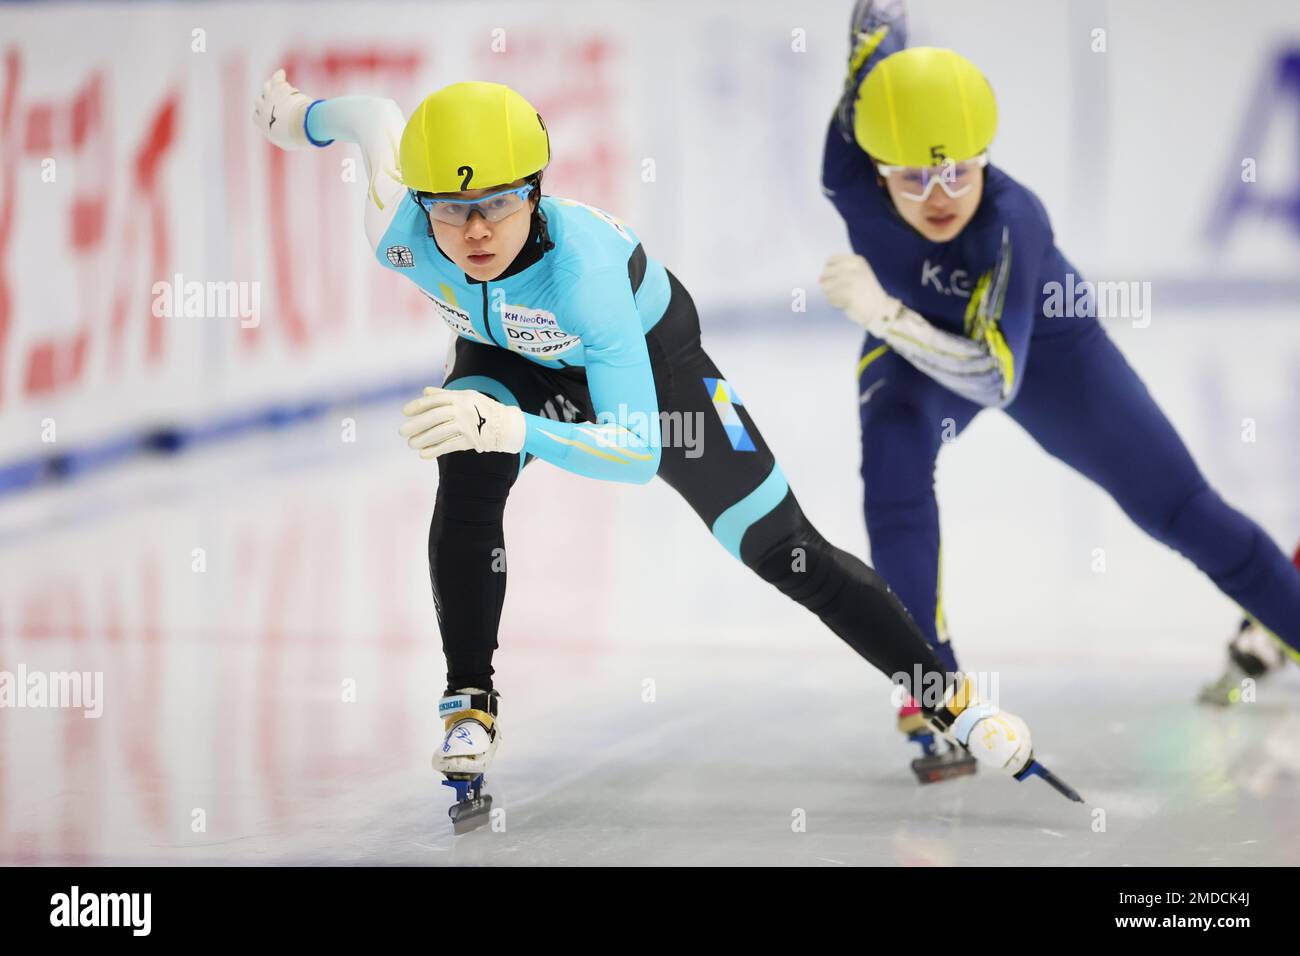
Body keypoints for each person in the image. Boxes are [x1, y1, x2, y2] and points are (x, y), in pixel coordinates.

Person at [252, 69, 1058, 828]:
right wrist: (292, 118)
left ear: (535, 192)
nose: (473, 231)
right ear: (419, 202)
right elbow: (370, 121)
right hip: (505, 364)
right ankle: (469, 699)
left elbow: (636, 454)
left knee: (785, 550)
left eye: (498, 204)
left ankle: (950, 697)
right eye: (450, 209)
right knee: (464, 477)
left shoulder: (583, 272)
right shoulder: (396, 225)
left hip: (654, 371)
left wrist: (515, 429)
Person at [818, 2, 1300, 778]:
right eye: (913, 178)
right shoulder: (846, 152)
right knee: (893, 473)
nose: (940, 194)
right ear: (873, 167)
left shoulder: (1012, 221)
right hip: (912, 349)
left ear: (984, 156)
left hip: (1044, 354)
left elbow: (994, 376)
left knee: (1179, 509)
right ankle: (933, 689)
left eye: (959, 170)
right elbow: (871, 38)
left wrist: (882, 313)